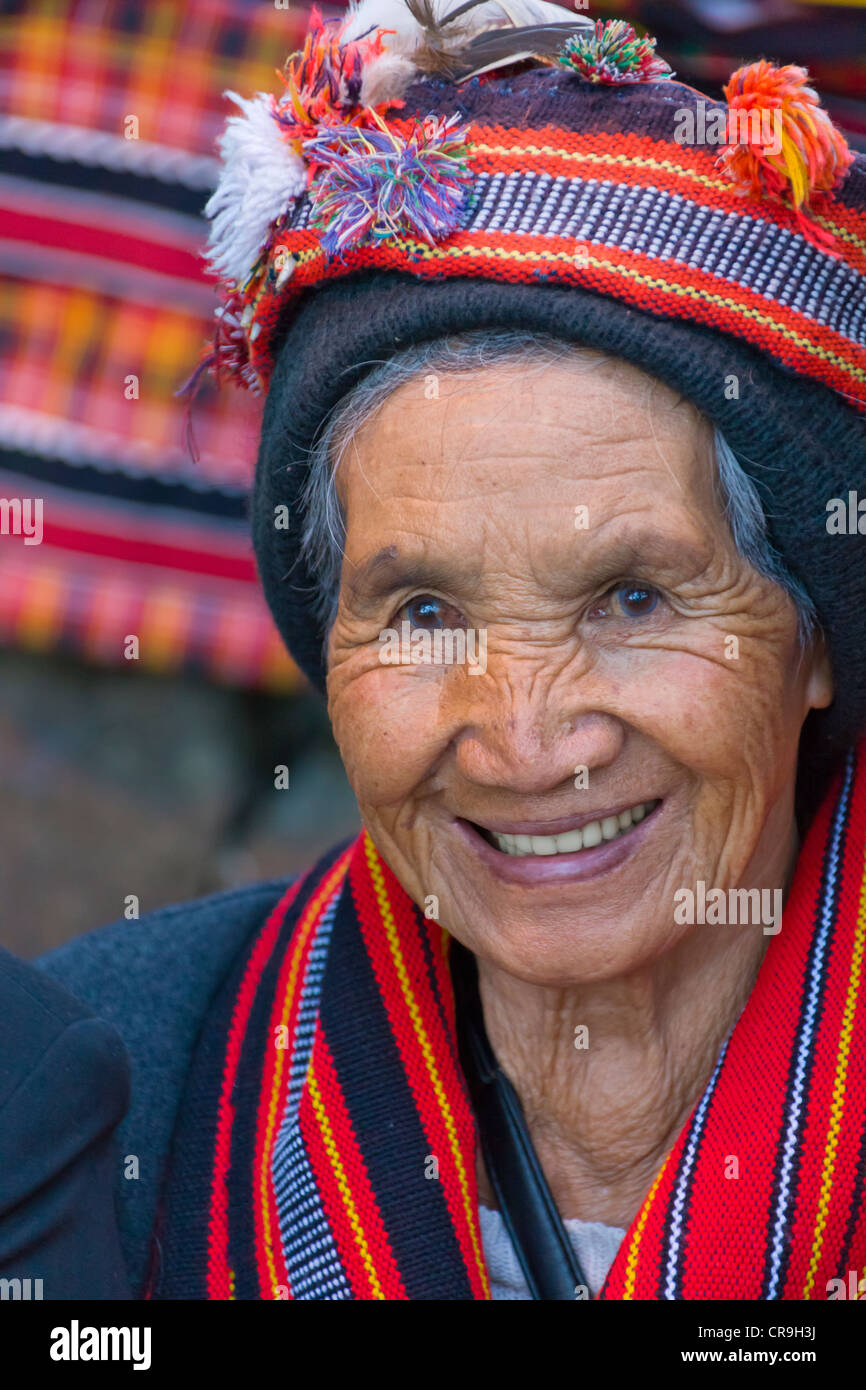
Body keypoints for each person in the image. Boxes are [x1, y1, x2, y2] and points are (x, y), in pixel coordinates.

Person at [38, 0, 866, 1300]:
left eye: (632, 598)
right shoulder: (95, 1097)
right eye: (423, 615)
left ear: (813, 634)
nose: (525, 738)